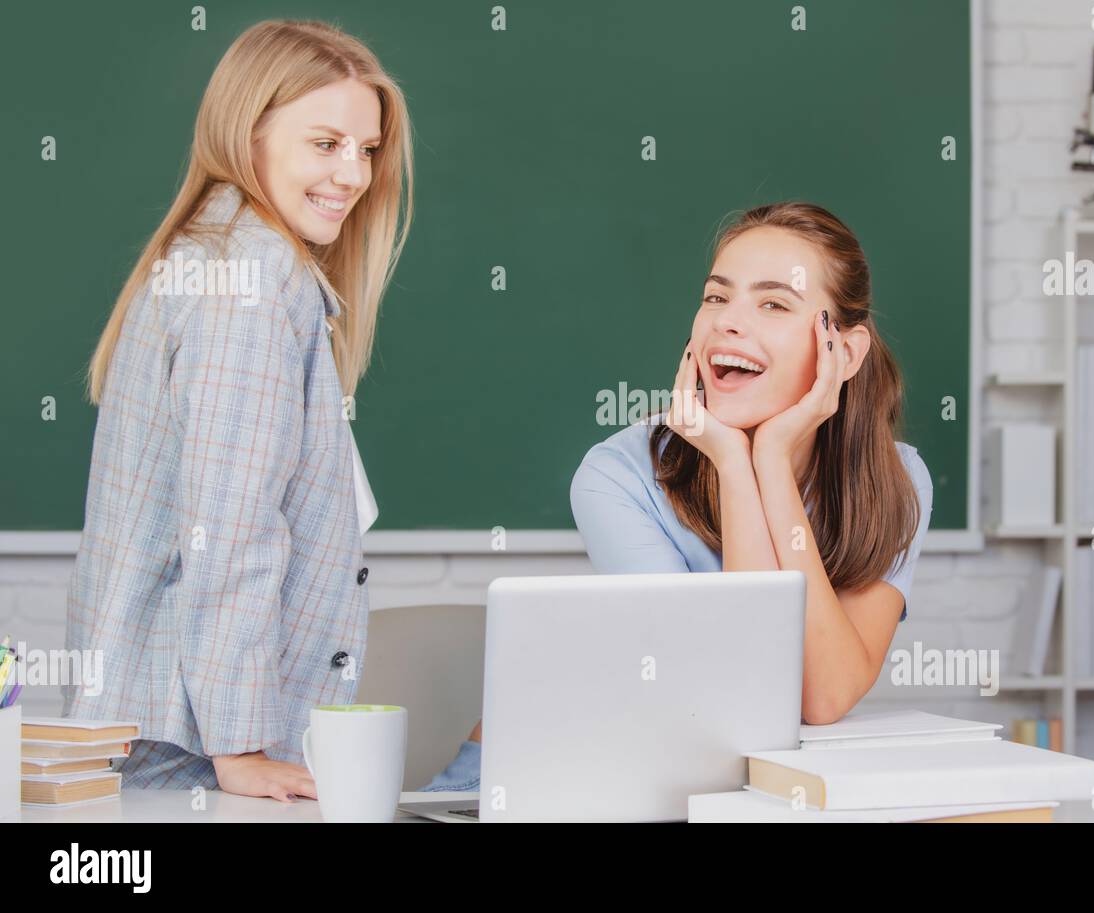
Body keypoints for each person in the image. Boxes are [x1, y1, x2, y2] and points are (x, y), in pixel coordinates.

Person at [420, 201, 932, 792]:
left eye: (773, 303)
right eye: (717, 297)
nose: (728, 322)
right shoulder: (616, 476)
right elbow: (736, 699)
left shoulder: (894, 482)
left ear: (845, 352)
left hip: (726, 790)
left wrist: (767, 461)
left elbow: (823, 697)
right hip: (535, 783)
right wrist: (733, 464)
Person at [65, 20, 413, 801]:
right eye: (325, 143)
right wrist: (241, 742)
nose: (354, 174)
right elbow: (229, 527)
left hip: (160, 726)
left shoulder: (219, 255)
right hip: (195, 745)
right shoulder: (253, 286)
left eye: (366, 149)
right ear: (245, 133)